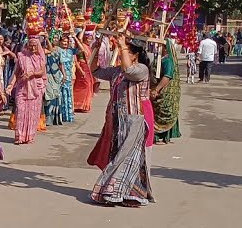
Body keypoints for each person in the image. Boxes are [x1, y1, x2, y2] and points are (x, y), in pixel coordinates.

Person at [86, 38, 155, 206]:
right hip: (118, 120)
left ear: (135, 56)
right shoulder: (116, 71)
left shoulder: (141, 69)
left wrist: (122, 45)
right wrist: (95, 50)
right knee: (119, 154)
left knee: (127, 155)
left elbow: (129, 70)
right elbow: (94, 70)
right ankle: (128, 193)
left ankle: (112, 190)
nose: (122, 54)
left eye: (127, 52)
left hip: (135, 119)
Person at [11, 37, 46, 145]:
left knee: (33, 113)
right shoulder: (22, 57)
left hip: (36, 88)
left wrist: (32, 74)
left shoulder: (40, 57)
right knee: (20, 111)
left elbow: (42, 71)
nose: (33, 47)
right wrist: (11, 85)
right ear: (27, 45)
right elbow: (16, 72)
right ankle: (19, 136)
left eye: (35, 45)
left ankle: (29, 136)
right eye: (31, 45)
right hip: (22, 87)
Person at [151, 38, 182, 144]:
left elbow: (167, 76)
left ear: (165, 48)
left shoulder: (168, 60)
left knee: (163, 111)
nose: (157, 47)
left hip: (164, 91)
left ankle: (164, 136)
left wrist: (157, 89)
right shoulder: (160, 59)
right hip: (156, 88)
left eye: (160, 46)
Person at [48, 34, 76, 125]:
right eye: (63, 41)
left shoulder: (70, 51)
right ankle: (59, 115)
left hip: (68, 75)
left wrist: (74, 37)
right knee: (60, 96)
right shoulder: (57, 50)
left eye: (67, 42)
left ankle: (68, 115)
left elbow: (82, 51)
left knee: (68, 95)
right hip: (58, 75)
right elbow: (60, 64)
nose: (65, 43)